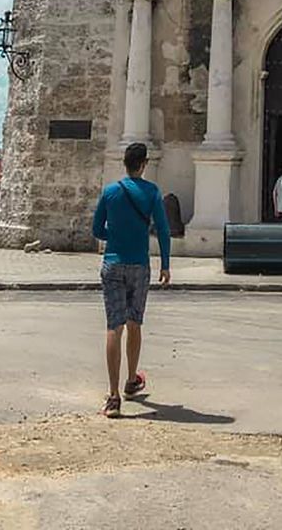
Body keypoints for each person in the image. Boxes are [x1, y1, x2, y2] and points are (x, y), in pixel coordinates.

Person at [92, 141, 171, 418]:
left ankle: (113, 397)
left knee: (114, 327)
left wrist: (114, 237)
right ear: (144, 164)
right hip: (139, 265)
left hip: (112, 264)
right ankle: (131, 381)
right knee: (134, 323)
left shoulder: (110, 191)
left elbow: (96, 229)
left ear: (125, 164)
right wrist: (166, 264)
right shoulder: (151, 192)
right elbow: (163, 230)